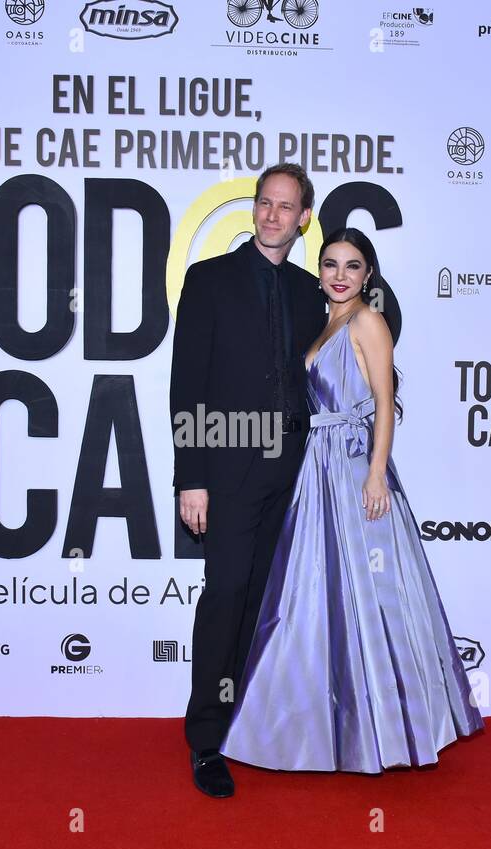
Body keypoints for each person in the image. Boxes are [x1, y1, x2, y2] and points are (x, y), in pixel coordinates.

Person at [219, 227, 485, 774]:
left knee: (373, 595)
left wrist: (375, 474)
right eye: (331, 264)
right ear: (320, 270)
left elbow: (385, 403)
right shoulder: (328, 321)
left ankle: (390, 728)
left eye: (352, 266)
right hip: (317, 466)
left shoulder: (367, 321)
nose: (340, 275)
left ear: (369, 274)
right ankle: (317, 723)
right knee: (316, 597)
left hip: (354, 467)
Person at [169, 163, 327, 798]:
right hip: (228, 462)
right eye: (265, 203)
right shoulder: (208, 280)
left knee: (266, 601)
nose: (272, 215)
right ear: (253, 208)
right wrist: (191, 477)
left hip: (295, 466)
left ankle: (248, 723)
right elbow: (187, 383)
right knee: (227, 592)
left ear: (303, 220)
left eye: (286, 207)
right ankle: (206, 739)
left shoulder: (309, 291)